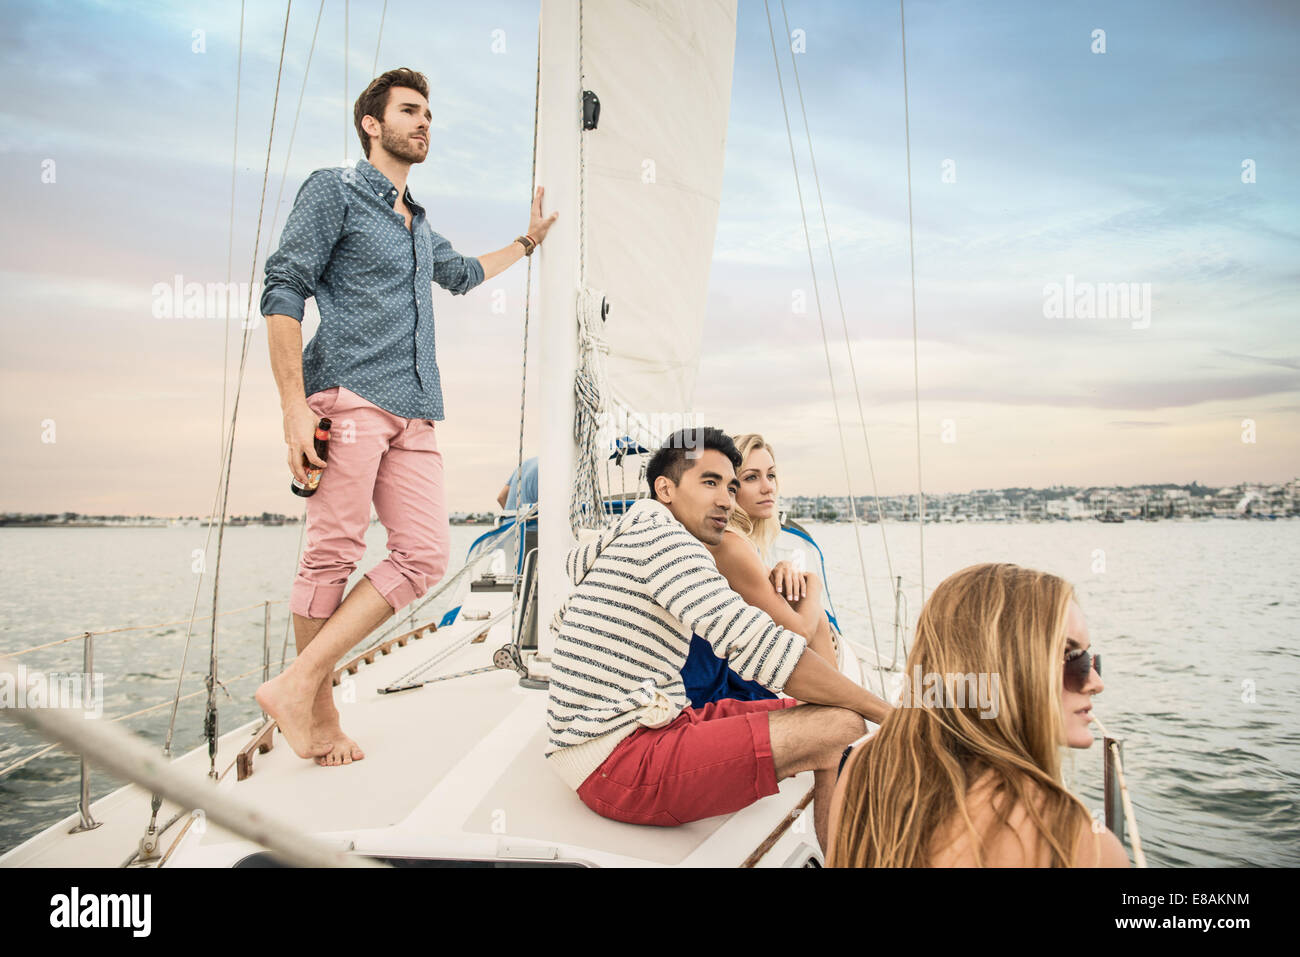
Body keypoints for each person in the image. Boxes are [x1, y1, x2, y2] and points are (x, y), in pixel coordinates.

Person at [256, 68, 557, 766]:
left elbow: (462, 275)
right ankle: (318, 711)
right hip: (349, 395)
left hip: (416, 410)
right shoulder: (334, 190)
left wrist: (531, 241)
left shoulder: (418, 224)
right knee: (333, 551)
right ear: (372, 124)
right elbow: (284, 288)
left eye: (429, 113)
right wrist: (292, 407)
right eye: (410, 110)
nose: (424, 123)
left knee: (424, 553)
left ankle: (298, 682)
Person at [545, 427, 893, 850]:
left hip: (638, 728)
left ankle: (837, 848)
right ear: (665, 489)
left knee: (824, 716)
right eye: (710, 483)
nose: (727, 500)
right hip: (615, 761)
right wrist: (893, 716)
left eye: (731, 486)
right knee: (840, 721)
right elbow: (756, 644)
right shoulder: (665, 541)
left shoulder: (635, 532)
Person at [826, 562, 1130, 867]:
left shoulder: (864, 764)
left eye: (1092, 660)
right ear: (1003, 666)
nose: (1096, 683)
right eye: (1071, 657)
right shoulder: (1081, 846)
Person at [682, 433, 838, 706]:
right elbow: (798, 634)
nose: (768, 488)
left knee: (808, 606)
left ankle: (838, 708)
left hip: (724, 674)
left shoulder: (733, 541)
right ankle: (838, 709)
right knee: (816, 613)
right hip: (707, 691)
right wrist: (813, 582)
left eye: (771, 476)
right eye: (752, 477)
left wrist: (784, 567)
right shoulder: (729, 544)